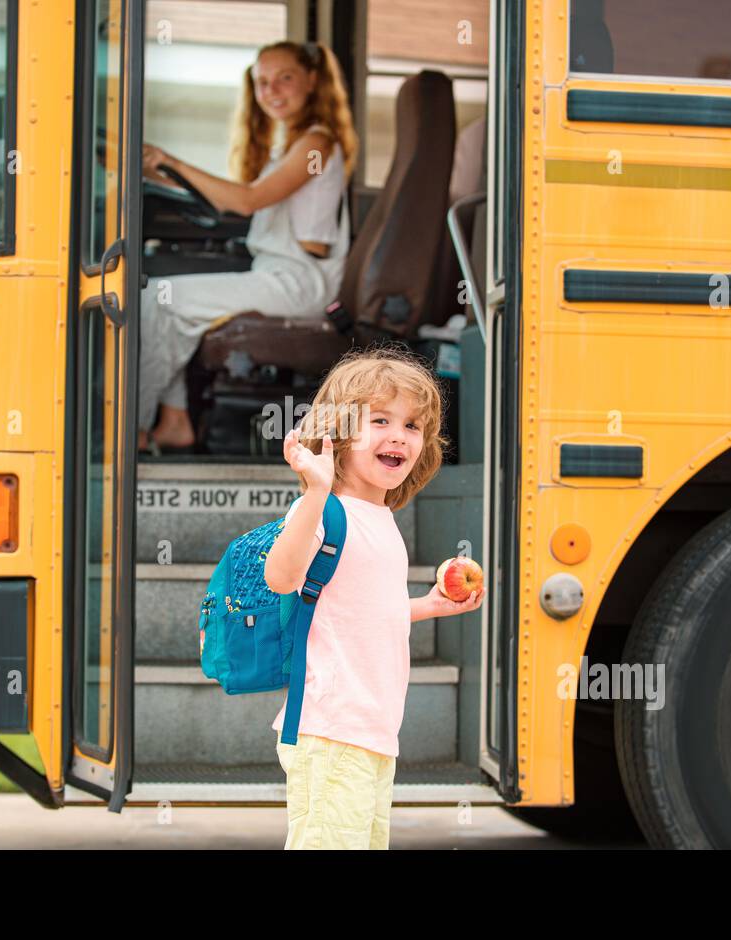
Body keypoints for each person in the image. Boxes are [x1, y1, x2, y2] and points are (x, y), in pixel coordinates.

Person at [262, 346, 485, 849]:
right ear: (337, 434)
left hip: (372, 733)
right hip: (333, 731)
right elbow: (280, 577)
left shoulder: (380, 520)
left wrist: (428, 605)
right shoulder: (325, 511)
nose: (398, 436)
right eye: (380, 419)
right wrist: (314, 493)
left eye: (412, 425)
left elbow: (358, 614)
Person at [137, 40, 360, 453]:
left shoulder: (316, 142)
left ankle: (132, 427)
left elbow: (246, 199)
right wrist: (164, 172)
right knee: (163, 300)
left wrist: (175, 160)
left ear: (312, 81)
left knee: (158, 299)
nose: (272, 91)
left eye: (284, 79)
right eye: (262, 83)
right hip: (276, 275)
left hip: (299, 283)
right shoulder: (289, 148)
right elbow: (232, 198)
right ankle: (174, 421)